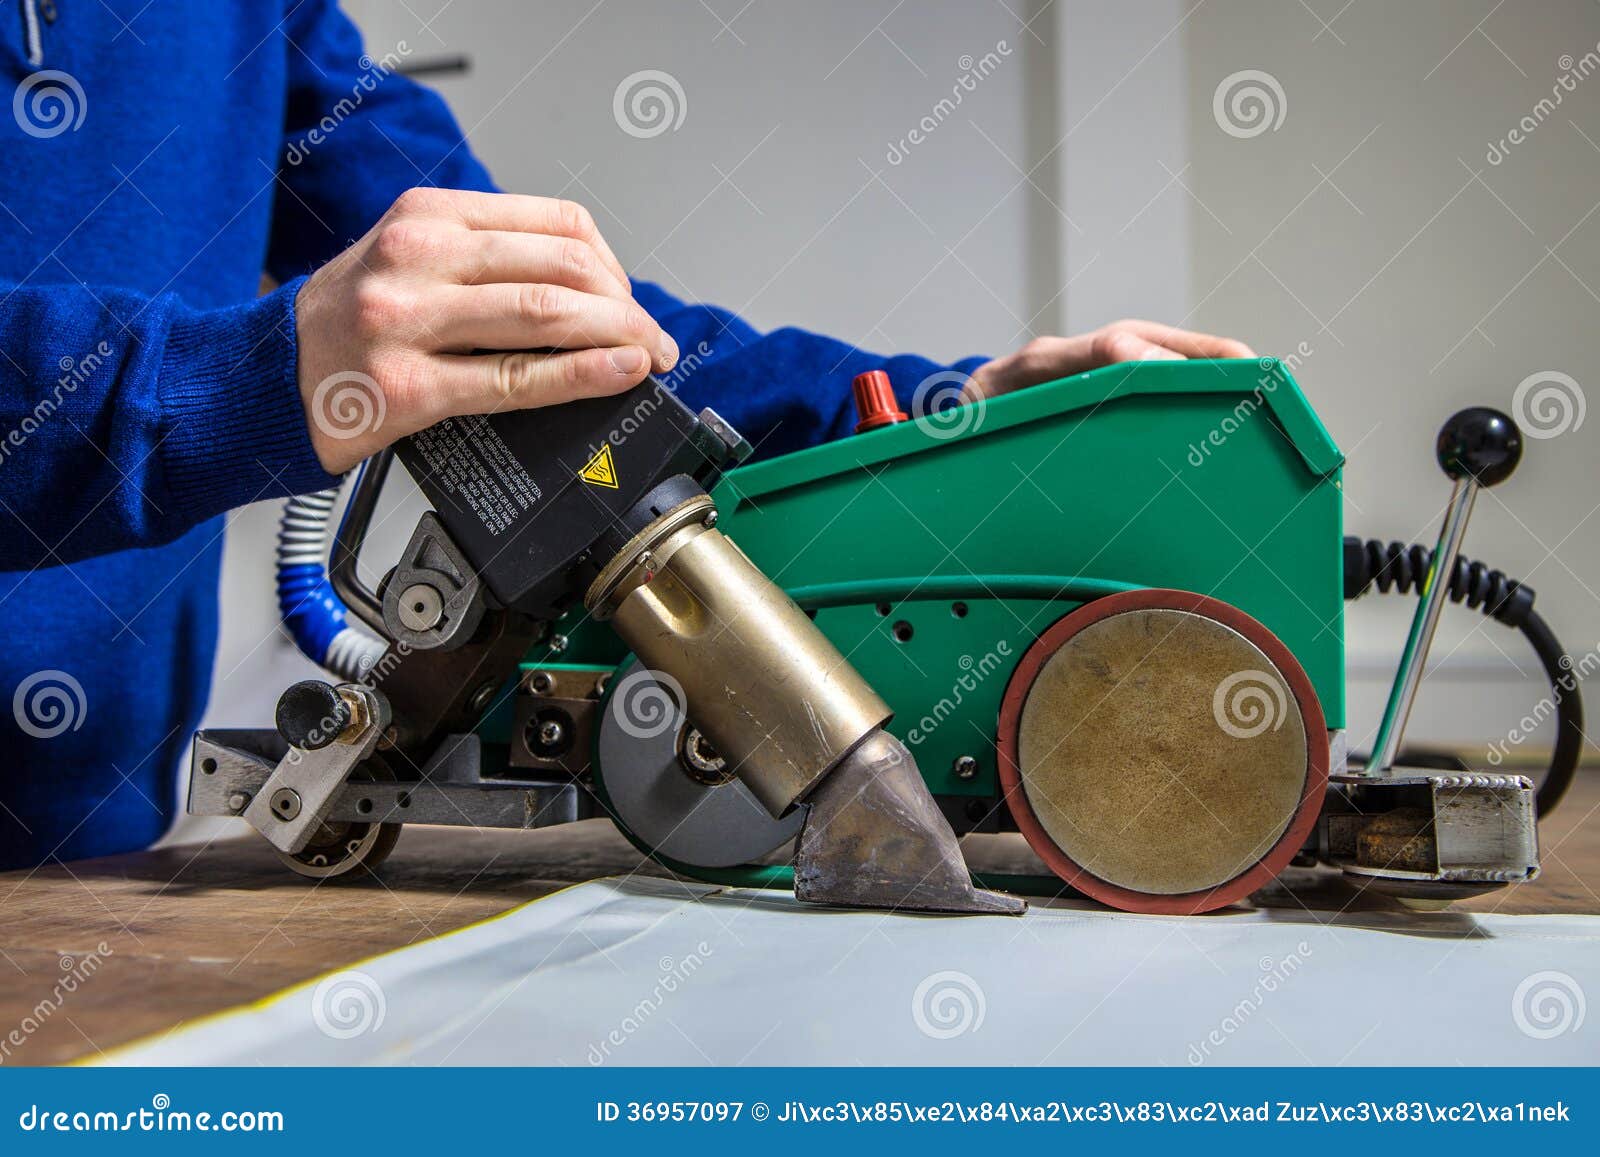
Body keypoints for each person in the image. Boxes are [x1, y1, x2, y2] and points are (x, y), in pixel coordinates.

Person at [0, 2, 1251, 871]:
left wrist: (937, 412)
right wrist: (245, 381)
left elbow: (551, 325)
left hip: (100, 850)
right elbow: (327, 347)